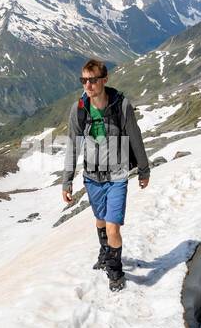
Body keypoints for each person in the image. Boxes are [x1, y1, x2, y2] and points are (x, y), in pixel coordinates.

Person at [61, 58, 150, 292]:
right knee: (100, 219)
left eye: (93, 80)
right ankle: (105, 251)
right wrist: (67, 180)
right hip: (92, 178)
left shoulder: (121, 106)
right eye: (84, 80)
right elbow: (73, 146)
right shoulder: (79, 110)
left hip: (118, 176)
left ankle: (115, 270)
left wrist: (144, 169)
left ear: (104, 79)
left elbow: (135, 137)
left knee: (113, 227)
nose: (88, 85)